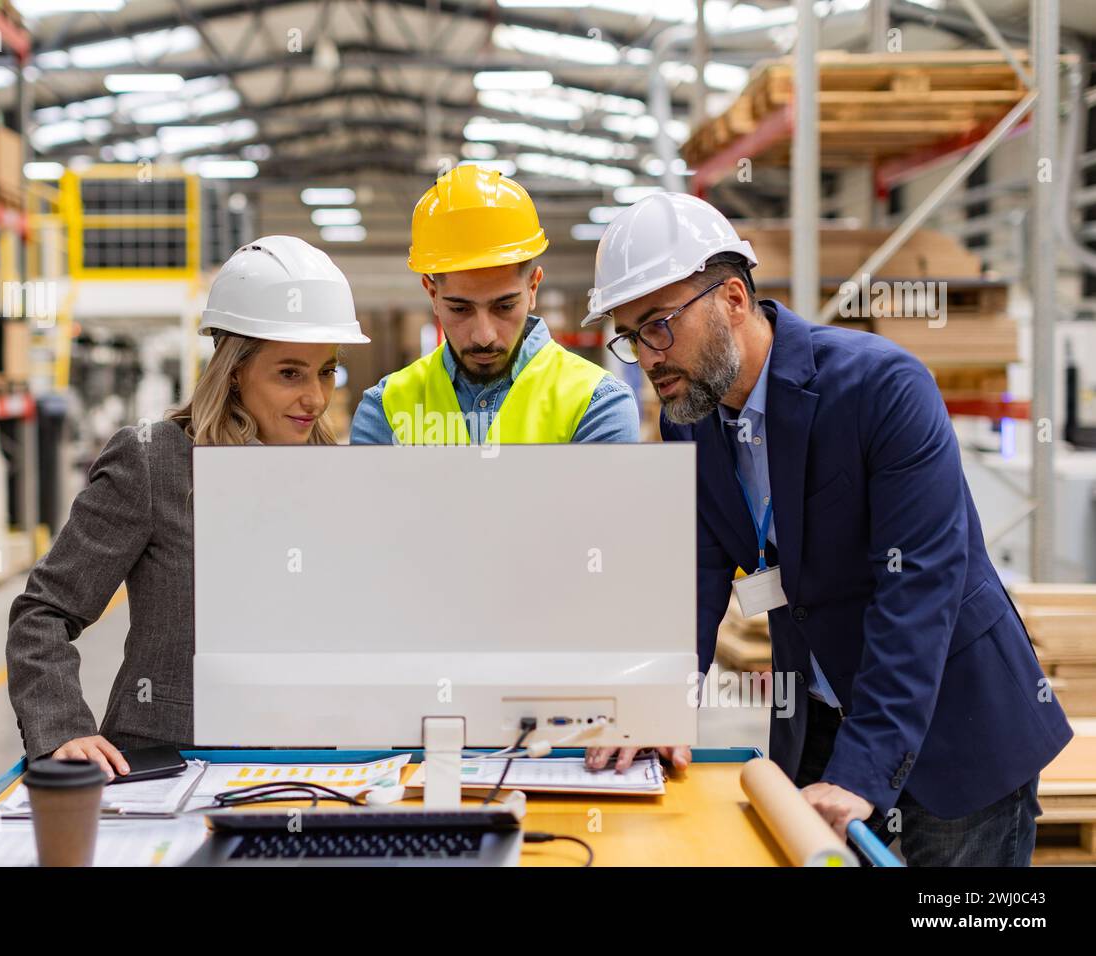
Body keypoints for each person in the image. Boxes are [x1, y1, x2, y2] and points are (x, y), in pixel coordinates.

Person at [582, 193, 1072, 866]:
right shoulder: (688, 421)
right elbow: (693, 576)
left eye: (659, 325)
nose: (647, 356)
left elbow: (920, 589)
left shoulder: (881, 389)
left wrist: (861, 771)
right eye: (631, 335)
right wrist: (658, 705)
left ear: (731, 297)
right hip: (815, 722)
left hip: (952, 734)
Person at [5, 236, 369, 779]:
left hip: (302, 758)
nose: (315, 398)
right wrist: (62, 727)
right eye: (290, 372)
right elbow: (43, 614)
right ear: (235, 368)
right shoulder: (154, 462)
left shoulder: (328, 474)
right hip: (167, 760)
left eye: (326, 371)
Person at [351, 165, 638, 445]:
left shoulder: (597, 405)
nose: (484, 336)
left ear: (533, 287)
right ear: (432, 294)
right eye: (460, 309)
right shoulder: (385, 410)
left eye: (504, 307)